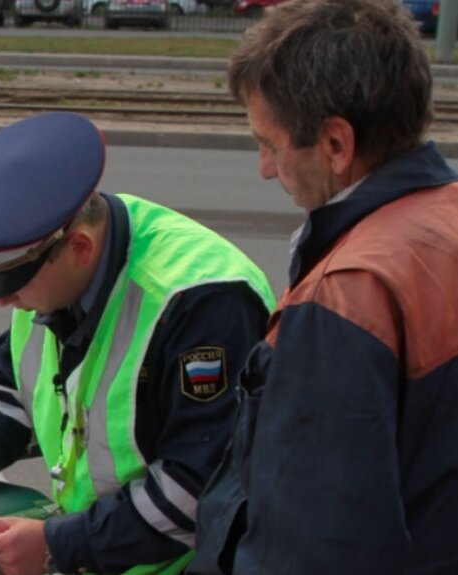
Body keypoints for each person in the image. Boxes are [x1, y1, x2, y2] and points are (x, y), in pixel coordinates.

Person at [0, 112, 277, 575]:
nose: (4, 302)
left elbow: (197, 486)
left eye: (16, 283)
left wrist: (58, 544)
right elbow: (15, 384)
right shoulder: (59, 268)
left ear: (79, 248)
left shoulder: (202, 302)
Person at [187, 1, 458, 574]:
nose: (265, 167)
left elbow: (312, 545)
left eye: (270, 142)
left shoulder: (348, 295)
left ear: (336, 145)